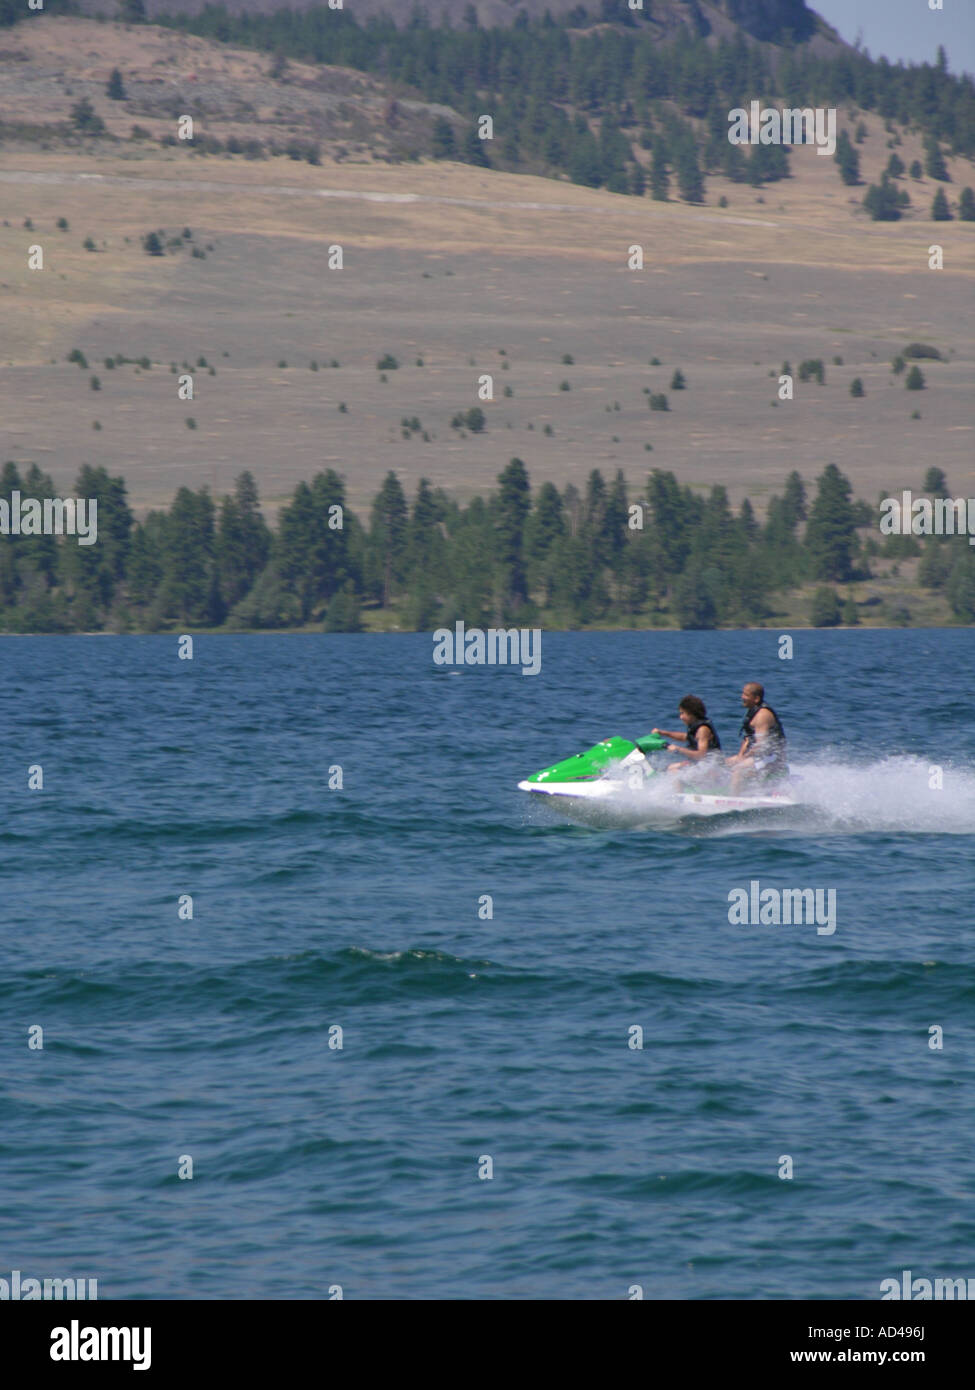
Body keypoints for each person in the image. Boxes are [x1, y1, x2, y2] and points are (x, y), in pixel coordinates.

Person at [726, 682, 787, 792]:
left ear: (756, 698)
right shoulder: (752, 712)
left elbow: (761, 745)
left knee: (738, 770)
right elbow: (747, 739)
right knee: (725, 763)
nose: (742, 697)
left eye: (746, 695)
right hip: (760, 756)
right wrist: (740, 756)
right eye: (742, 694)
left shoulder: (762, 716)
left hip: (774, 758)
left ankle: (734, 800)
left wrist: (745, 758)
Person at [652, 695, 722, 778]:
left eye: (682, 713)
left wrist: (678, 749)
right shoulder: (695, 727)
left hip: (711, 769)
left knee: (674, 772)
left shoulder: (703, 730)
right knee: (670, 767)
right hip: (700, 765)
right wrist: (663, 733)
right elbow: (685, 737)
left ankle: (679, 791)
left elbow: (701, 755)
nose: (680, 717)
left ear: (691, 713)